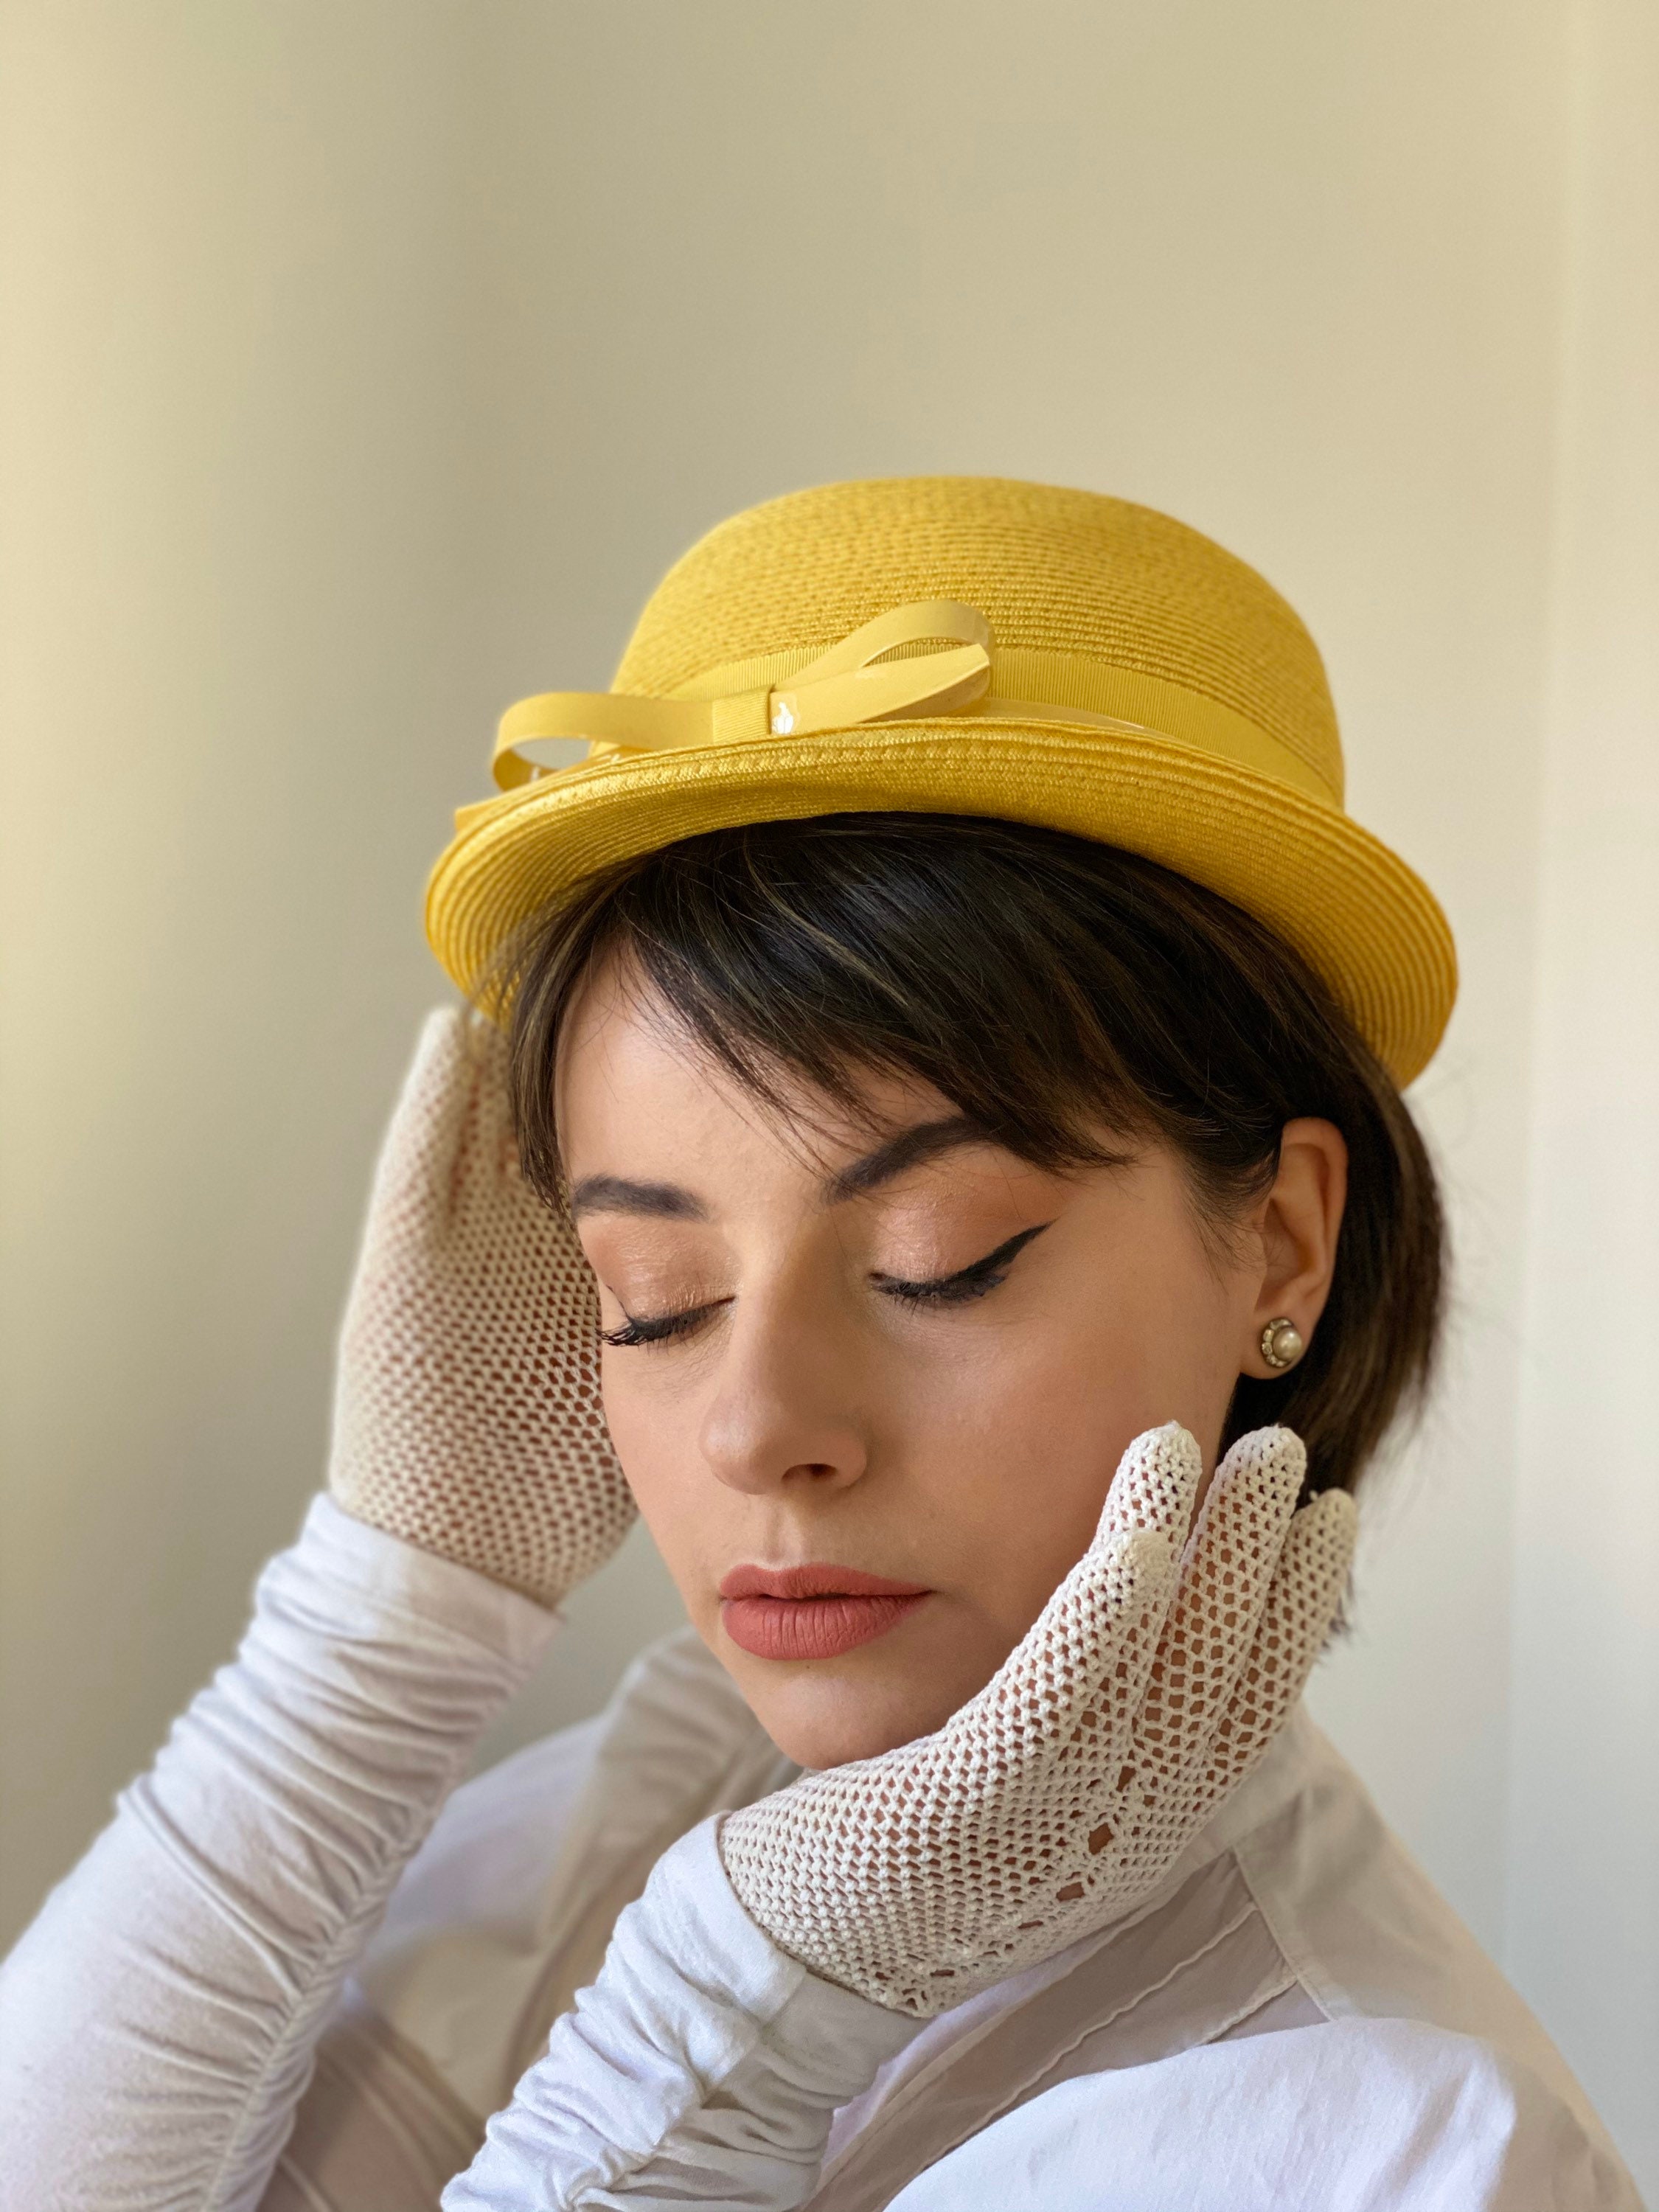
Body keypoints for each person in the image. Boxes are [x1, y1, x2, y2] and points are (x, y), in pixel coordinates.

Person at [0, 478, 1640, 2210]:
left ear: (1281, 1242)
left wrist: (739, 2015)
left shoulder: (1395, 2152)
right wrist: (387, 1618)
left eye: (946, 1263)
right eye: (656, 1295)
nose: (758, 1428)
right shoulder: (627, 1811)